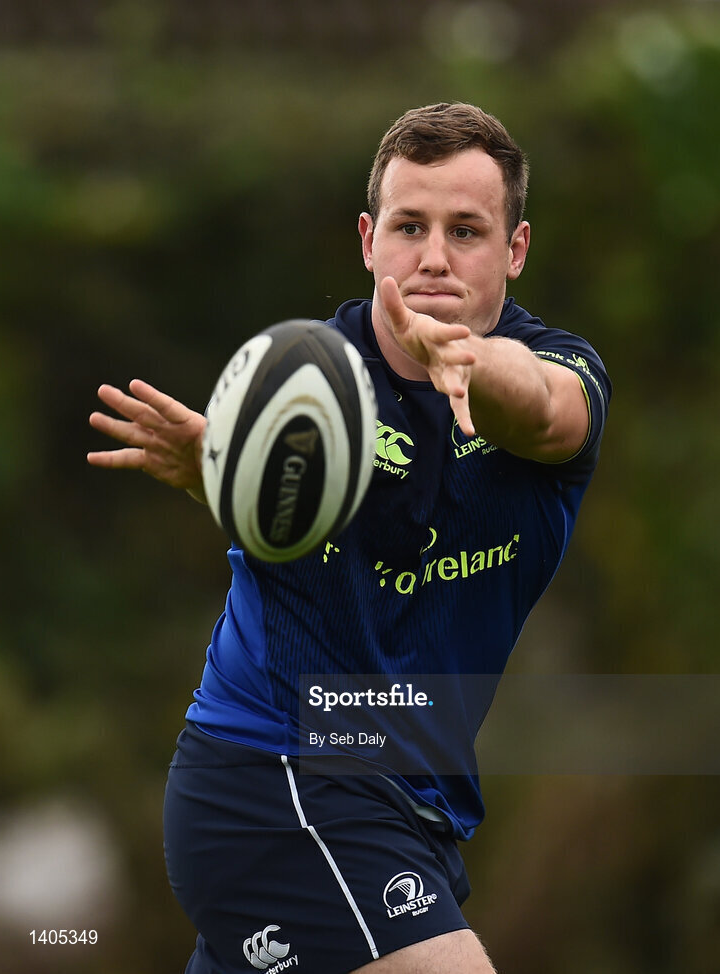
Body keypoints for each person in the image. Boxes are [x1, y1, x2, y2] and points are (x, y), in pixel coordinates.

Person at [88, 102, 610, 974]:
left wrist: (467, 361)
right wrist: (224, 469)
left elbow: (553, 413)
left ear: (515, 250)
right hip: (275, 779)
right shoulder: (302, 393)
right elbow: (272, 472)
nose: (434, 256)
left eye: (467, 230)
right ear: (370, 240)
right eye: (410, 226)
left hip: (415, 810)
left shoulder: (555, 372)